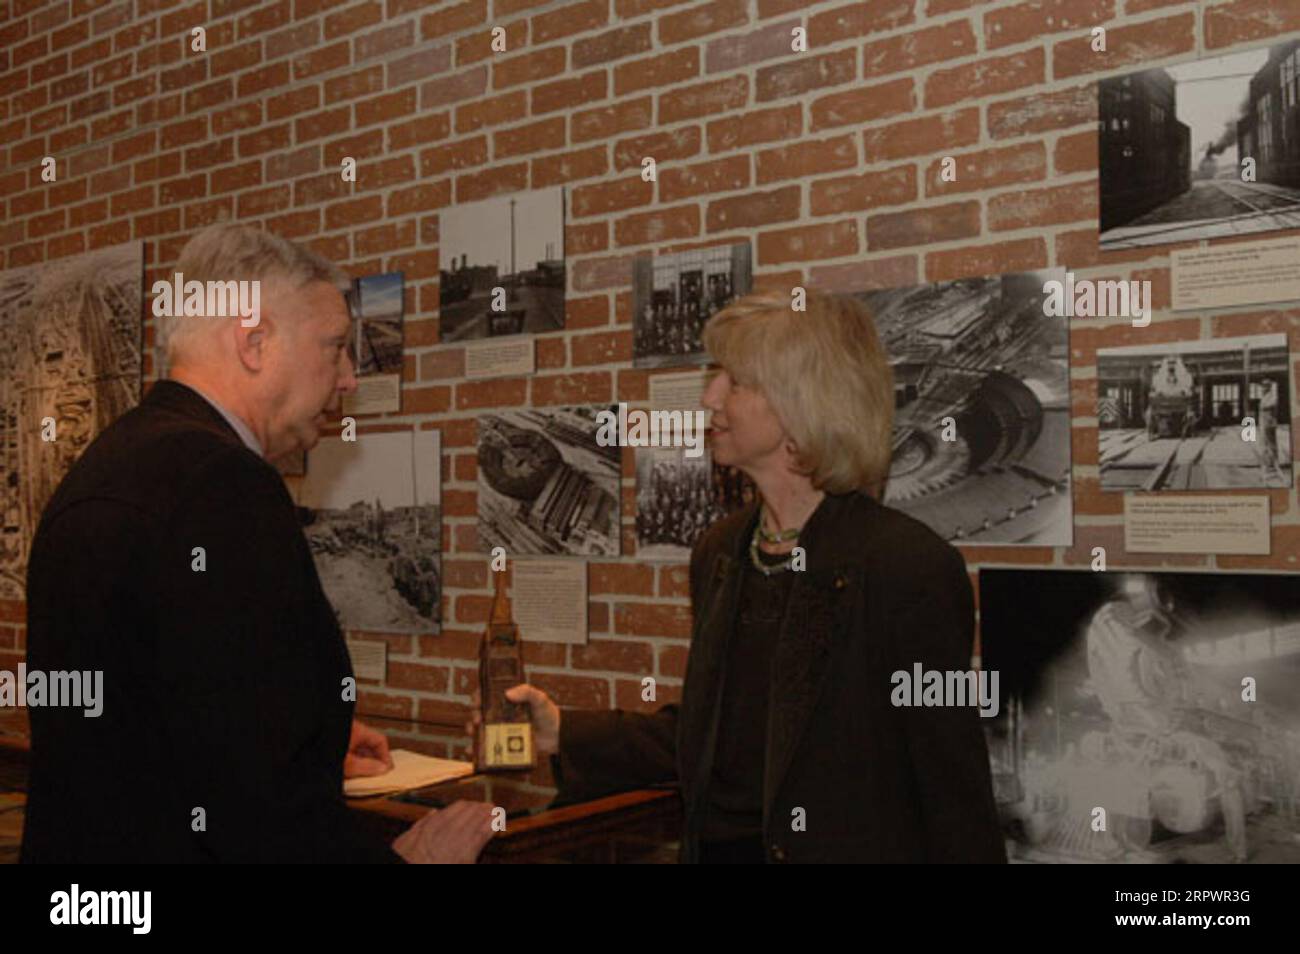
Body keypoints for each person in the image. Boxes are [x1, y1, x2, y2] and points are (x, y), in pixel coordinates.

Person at [478, 288, 1007, 863]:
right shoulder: (722, 552)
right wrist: (564, 732)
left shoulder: (906, 567)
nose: (709, 399)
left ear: (800, 404)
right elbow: (718, 735)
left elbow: (952, 791)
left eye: (734, 381)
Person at [21, 223, 494, 863]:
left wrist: (314, 740)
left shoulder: (108, 463)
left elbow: (172, 722)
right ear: (253, 342)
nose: (349, 378)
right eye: (333, 347)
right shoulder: (223, 484)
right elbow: (258, 815)